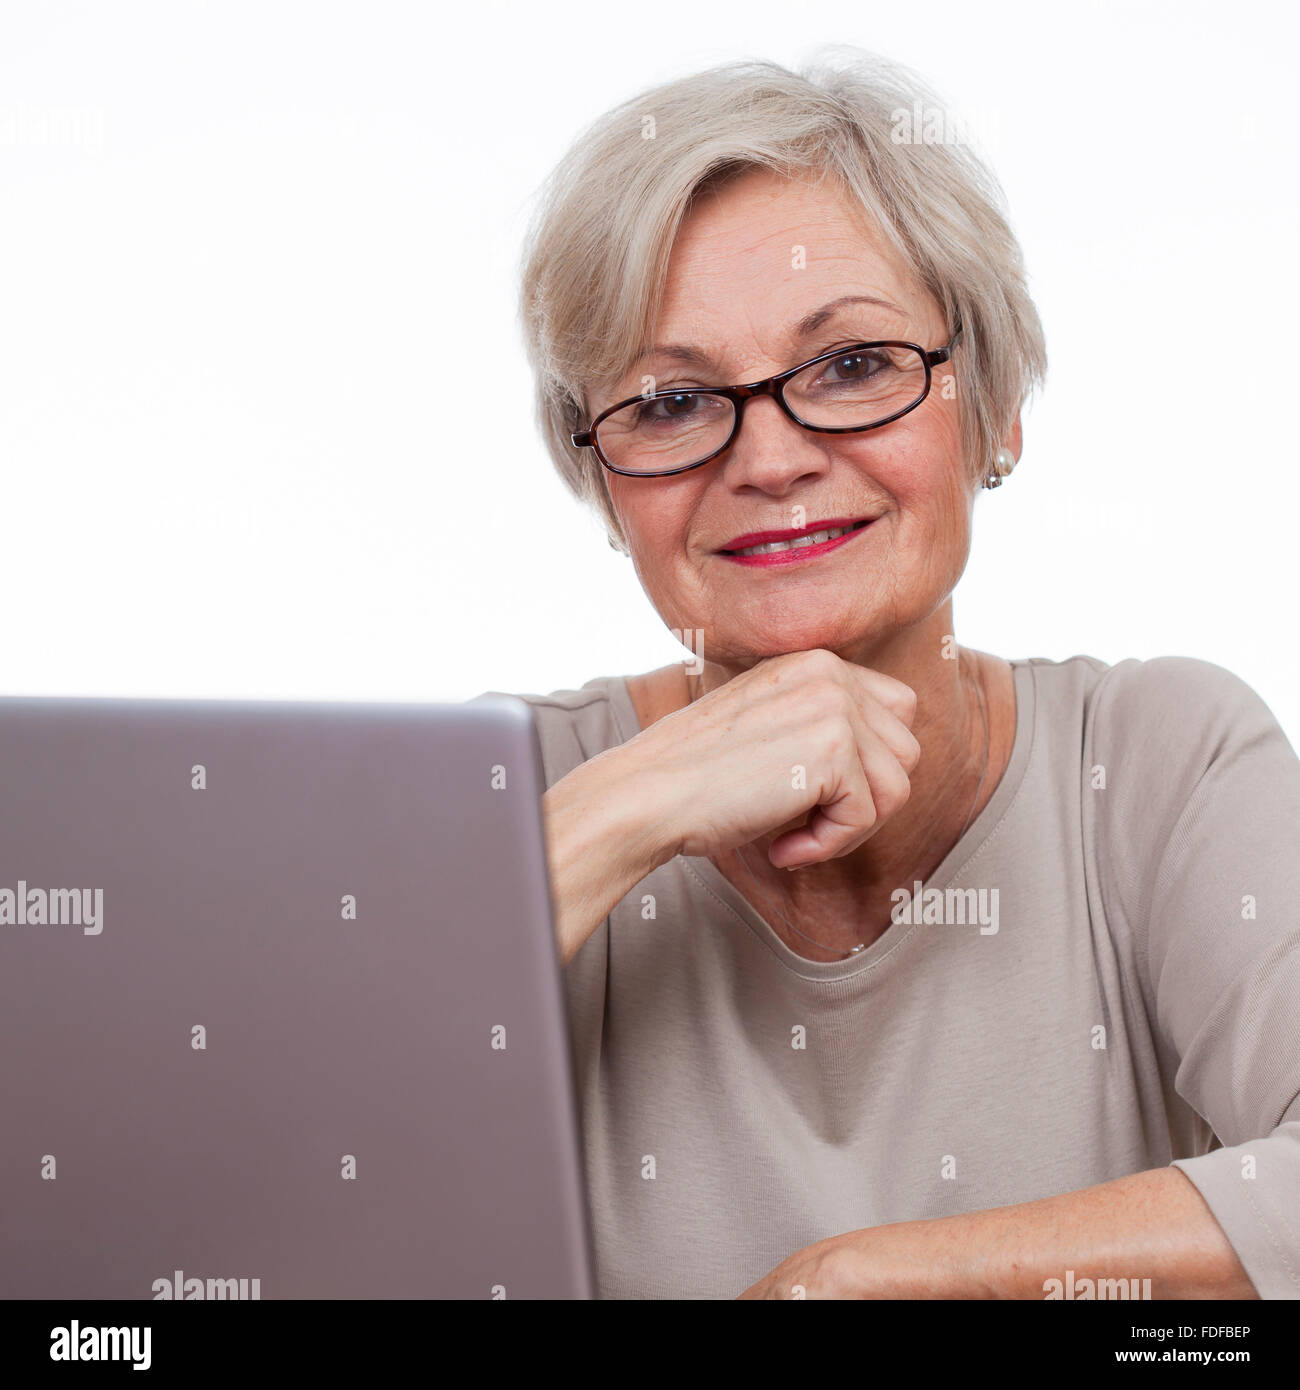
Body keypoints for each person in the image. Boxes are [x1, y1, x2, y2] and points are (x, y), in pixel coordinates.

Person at [486, 49, 1300, 1299]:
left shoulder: (1156, 762)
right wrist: (625, 807)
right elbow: (224, 1187)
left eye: (852, 366)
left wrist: (857, 1282)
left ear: (997, 406)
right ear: (601, 480)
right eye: (670, 401)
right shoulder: (508, 790)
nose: (768, 458)